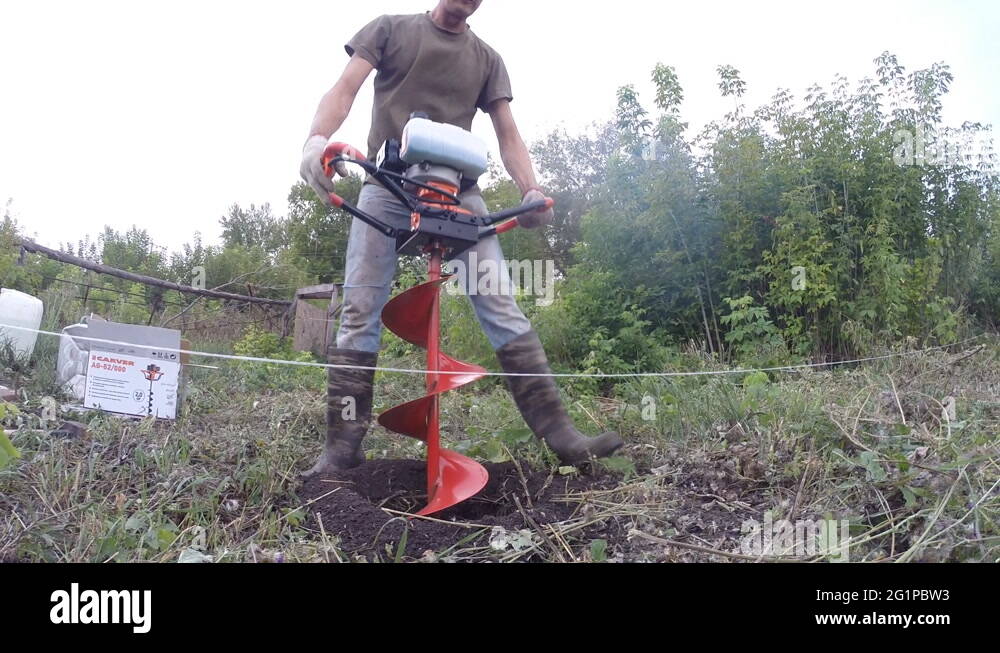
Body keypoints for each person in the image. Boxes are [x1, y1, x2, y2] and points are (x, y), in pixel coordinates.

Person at [298, 0, 623, 479]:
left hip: (460, 193)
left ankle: (562, 436)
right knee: (360, 310)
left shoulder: (487, 59)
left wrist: (529, 188)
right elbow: (346, 86)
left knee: (501, 304)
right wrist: (316, 138)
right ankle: (342, 448)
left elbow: (507, 132)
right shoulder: (390, 30)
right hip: (388, 183)